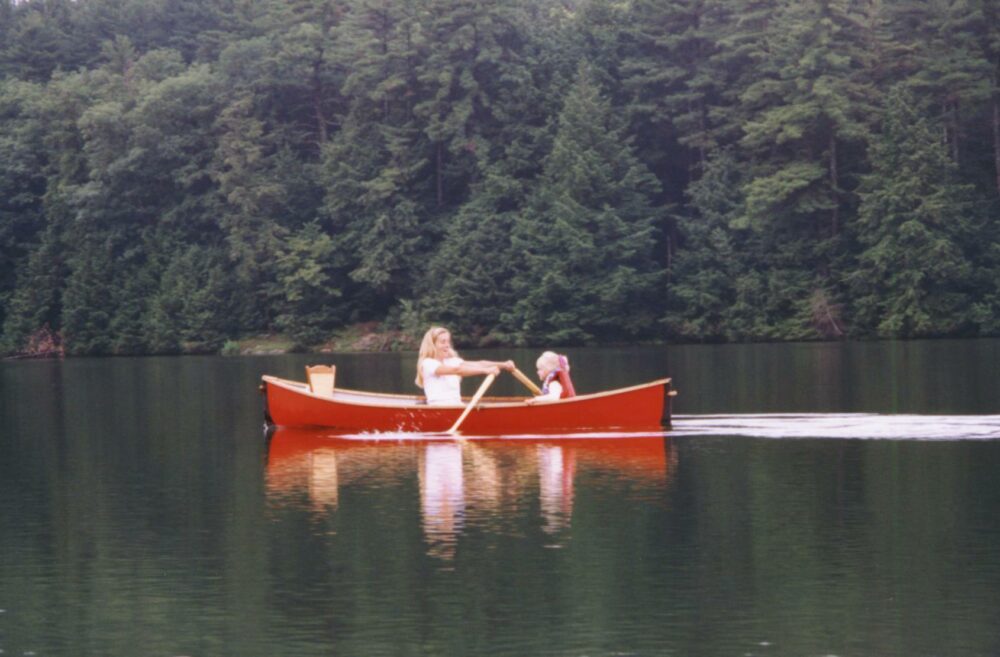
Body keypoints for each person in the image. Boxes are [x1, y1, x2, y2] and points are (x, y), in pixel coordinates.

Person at [415, 327, 514, 405]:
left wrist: (503, 364)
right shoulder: (428, 363)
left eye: (448, 341)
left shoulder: (451, 361)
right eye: (443, 342)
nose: (447, 345)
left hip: (457, 406)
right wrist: (485, 371)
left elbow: (479, 363)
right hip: (439, 408)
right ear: (432, 345)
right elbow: (457, 370)